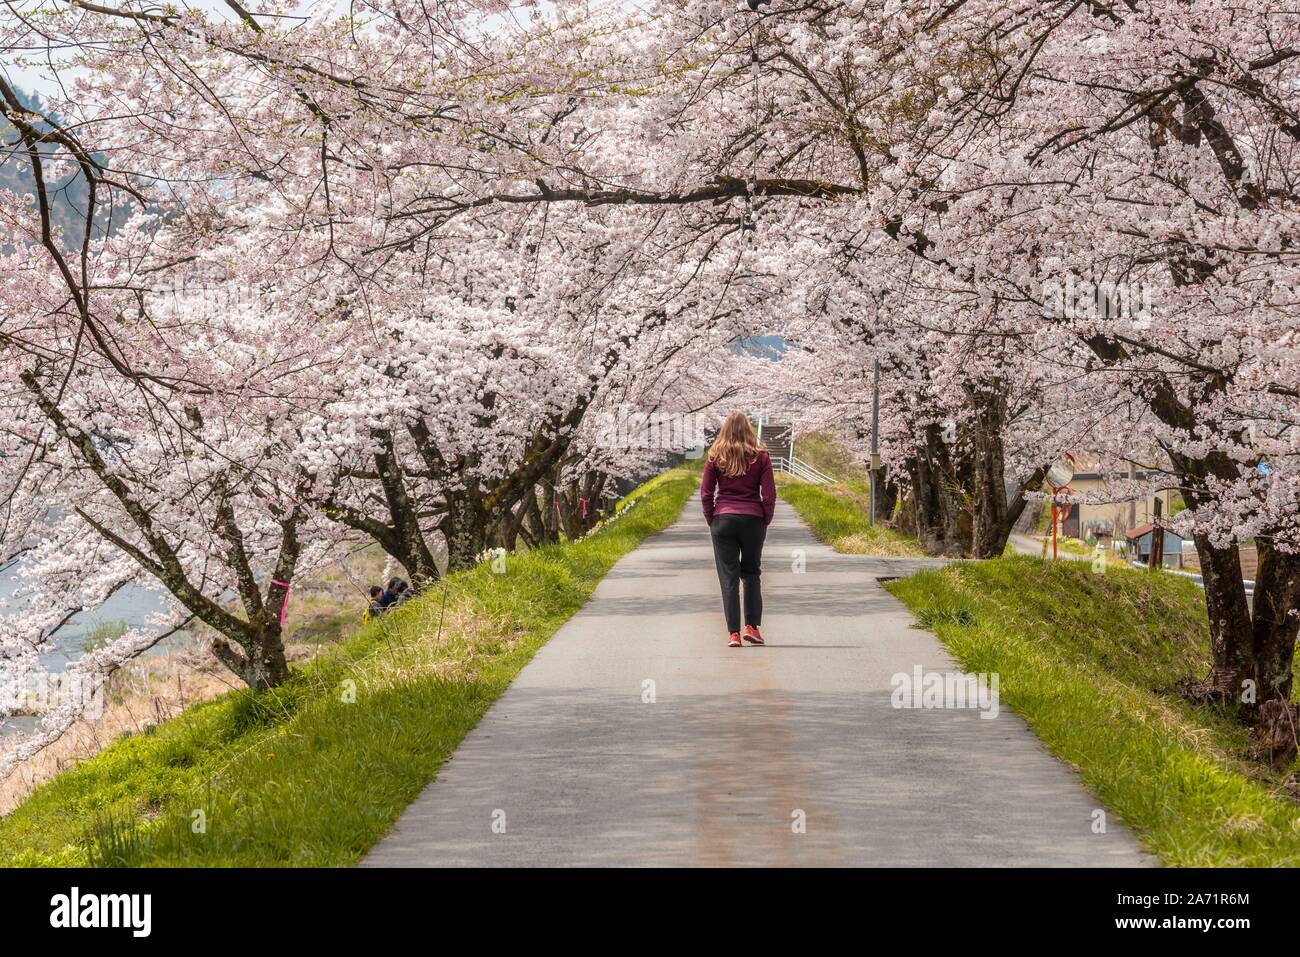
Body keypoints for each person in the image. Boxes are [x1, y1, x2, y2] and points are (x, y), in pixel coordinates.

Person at [700, 412, 775, 647]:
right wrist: (765, 518)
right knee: (752, 573)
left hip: (723, 520)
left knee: (729, 577)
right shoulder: (760, 457)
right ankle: (752, 627)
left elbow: (705, 493)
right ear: (749, 429)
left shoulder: (715, 457)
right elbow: (769, 494)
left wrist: (712, 518)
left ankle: (733, 633)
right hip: (753, 520)